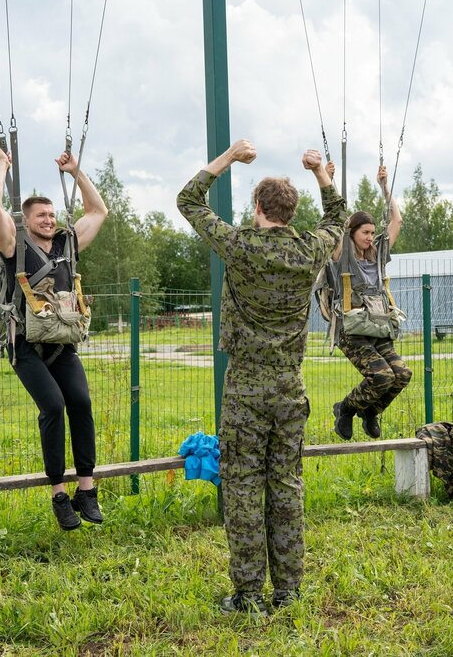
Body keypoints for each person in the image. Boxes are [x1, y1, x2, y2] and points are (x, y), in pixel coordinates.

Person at [177, 139, 346, 615]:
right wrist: (320, 173)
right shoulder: (310, 250)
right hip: (290, 386)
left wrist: (229, 158)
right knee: (287, 486)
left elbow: (188, 199)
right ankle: (288, 591)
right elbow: (337, 218)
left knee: (244, 487)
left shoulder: (239, 245)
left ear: (257, 207)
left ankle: (249, 596)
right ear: (290, 213)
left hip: (246, 388)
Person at [0, 148, 108, 530]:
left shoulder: (67, 245)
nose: (50, 219)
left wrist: (75, 172)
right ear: (26, 219)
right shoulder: (14, 246)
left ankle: (86, 490)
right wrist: (3, 167)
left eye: (53, 214)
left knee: (81, 404)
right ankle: (58, 493)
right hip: (26, 348)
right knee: (53, 407)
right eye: (42, 215)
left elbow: (98, 212)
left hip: (62, 345)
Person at [324, 162, 409, 440]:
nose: (370, 237)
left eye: (372, 233)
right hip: (353, 331)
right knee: (382, 376)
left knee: (401, 374)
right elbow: (334, 221)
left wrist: (384, 188)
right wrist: (328, 179)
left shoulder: (378, 252)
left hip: (378, 326)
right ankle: (346, 409)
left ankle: (370, 411)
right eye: (365, 233)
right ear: (352, 233)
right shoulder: (342, 253)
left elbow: (396, 221)